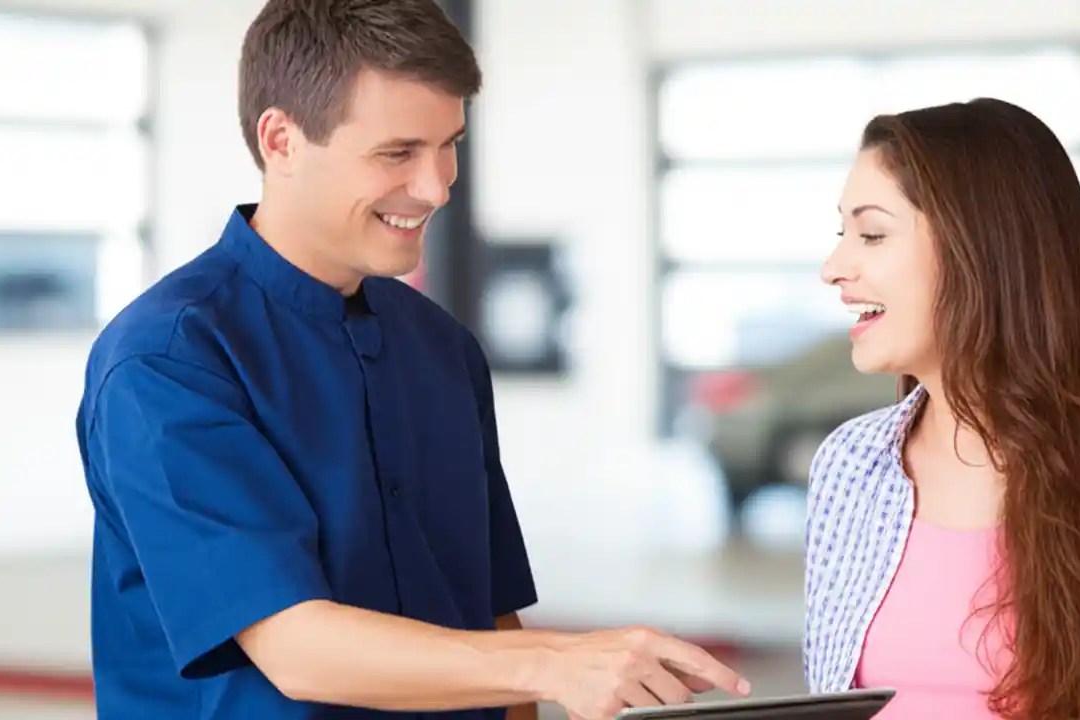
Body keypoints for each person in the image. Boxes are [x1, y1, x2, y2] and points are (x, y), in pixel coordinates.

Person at [74, 2, 750, 719]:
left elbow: (491, 621)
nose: (435, 187)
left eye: (448, 144)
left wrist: (536, 673)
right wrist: (556, 662)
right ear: (281, 140)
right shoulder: (169, 361)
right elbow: (296, 647)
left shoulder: (443, 349)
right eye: (397, 153)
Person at [804, 96, 1080, 720]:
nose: (834, 267)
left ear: (981, 247)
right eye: (842, 234)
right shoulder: (849, 467)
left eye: (872, 234)